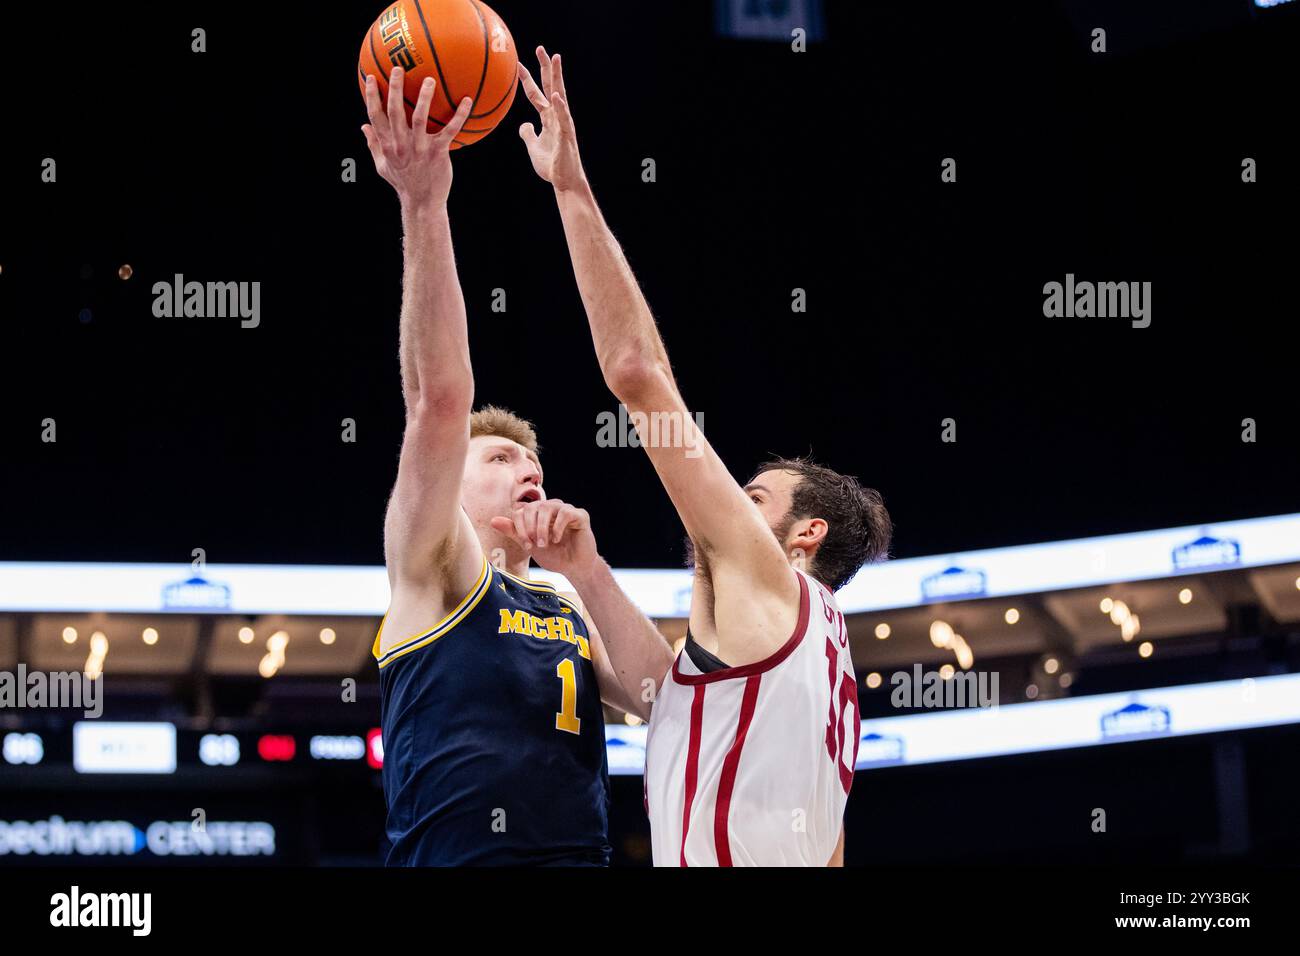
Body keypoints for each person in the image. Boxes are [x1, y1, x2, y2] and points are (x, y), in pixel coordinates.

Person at [517, 48, 892, 866]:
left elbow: (638, 376)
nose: (731, 506)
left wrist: (572, 190)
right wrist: (585, 570)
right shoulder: (818, 663)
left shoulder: (768, 581)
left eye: (755, 498)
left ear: (805, 536)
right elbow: (670, 698)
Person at [361, 67, 673, 866]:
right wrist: (424, 204)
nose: (527, 469)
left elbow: (662, 701)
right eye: (500, 457)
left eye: (532, 460)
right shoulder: (435, 567)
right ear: (449, 488)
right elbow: (438, 398)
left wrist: (590, 570)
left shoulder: (562, 594)